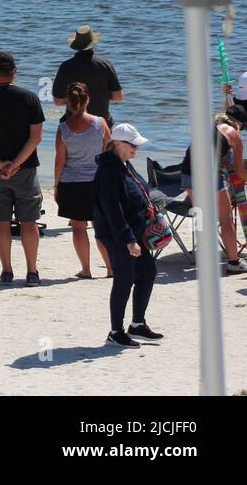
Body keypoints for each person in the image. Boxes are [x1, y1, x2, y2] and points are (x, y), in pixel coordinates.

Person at [0, 51, 46, 285]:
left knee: (1, 221)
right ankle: (32, 272)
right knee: (28, 221)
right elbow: (36, 137)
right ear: (15, 70)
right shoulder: (29, 98)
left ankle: (6, 271)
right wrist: (17, 163)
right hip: (25, 169)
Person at [93, 124, 163, 347]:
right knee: (124, 280)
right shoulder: (108, 170)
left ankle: (137, 325)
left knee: (148, 272)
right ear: (117, 144)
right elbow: (112, 208)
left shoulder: (124, 164)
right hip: (117, 234)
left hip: (134, 232)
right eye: (133, 145)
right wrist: (129, 239)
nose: (136, 148)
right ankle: (115, 332)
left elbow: (140, 191)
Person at [54, 82, 113, 278]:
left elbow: (60, 160)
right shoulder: (100, 123)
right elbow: (110, 151)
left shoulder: (64, 128)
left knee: (78, 227)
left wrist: (56, 185)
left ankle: (86, 269)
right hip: (97, 181)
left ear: (68, 103)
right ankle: (110, 268)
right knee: (100, 226)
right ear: (87, 99)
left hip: (72, 183)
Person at [181, 104, 247, 273]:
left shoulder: (209, 125)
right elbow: (240, 172)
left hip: (188, 173)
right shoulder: (234, 135)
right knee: (225, 219)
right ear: (239, 125)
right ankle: (233, 262)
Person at [52, 25, 123, 124]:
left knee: (64, 123)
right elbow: (118, 97)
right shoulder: (105, 64)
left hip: (74, 122)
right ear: (93, 44)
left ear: (75, 45)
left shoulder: (66, 66)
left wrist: (74, 98)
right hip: (101, 122)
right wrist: (101, 96)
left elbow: (58, 102)